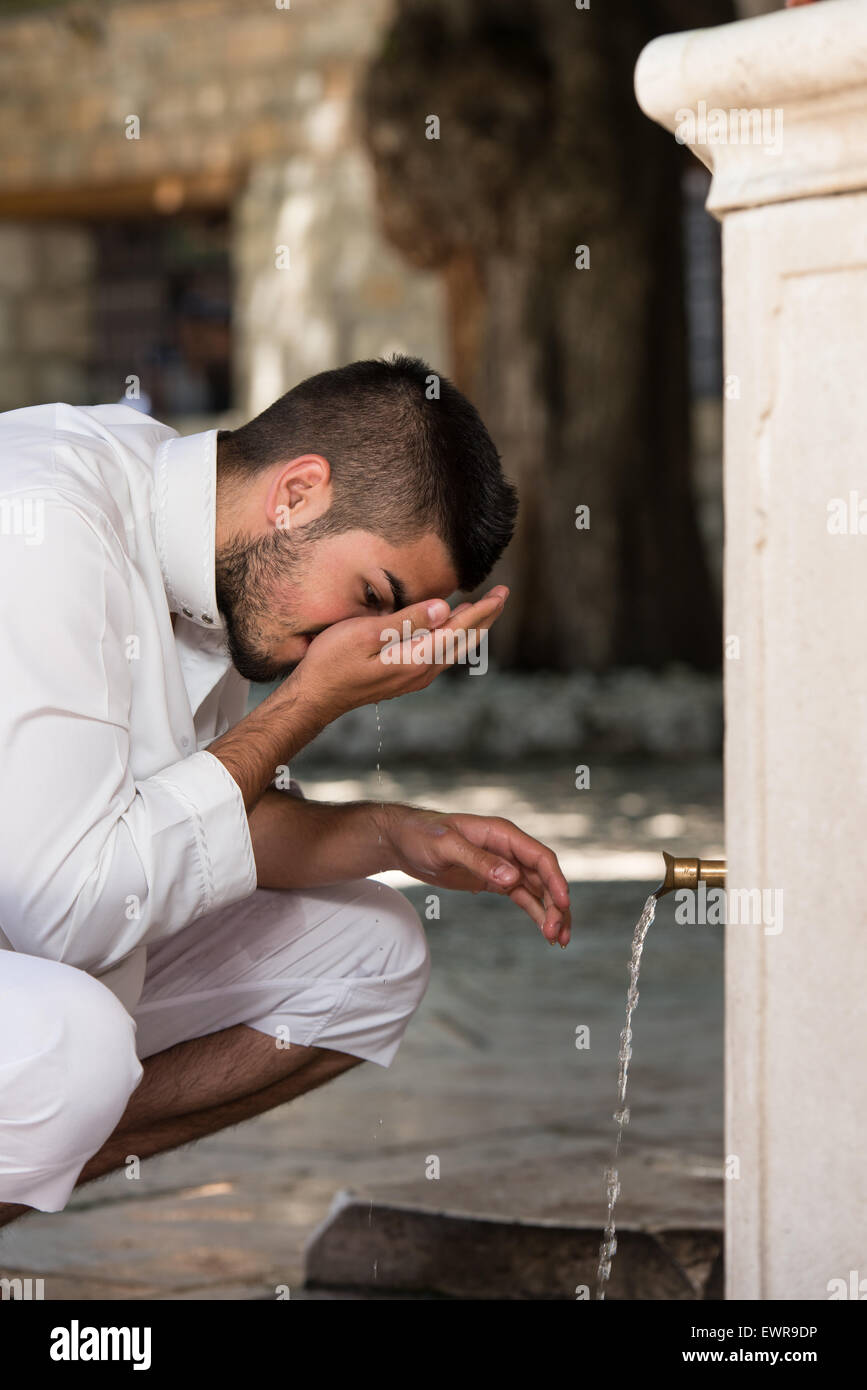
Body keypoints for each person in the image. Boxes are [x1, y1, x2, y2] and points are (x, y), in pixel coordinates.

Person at [0, 354, 571, 1229]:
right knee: (74, 1047)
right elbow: (65, 910)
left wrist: (395, 837)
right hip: (40, 917)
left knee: (368, 955)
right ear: (297, 492)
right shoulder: (49, 520)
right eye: (372, 596)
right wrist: (309, 705)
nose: (353, 643)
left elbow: (193, 816)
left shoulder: (206, 543)